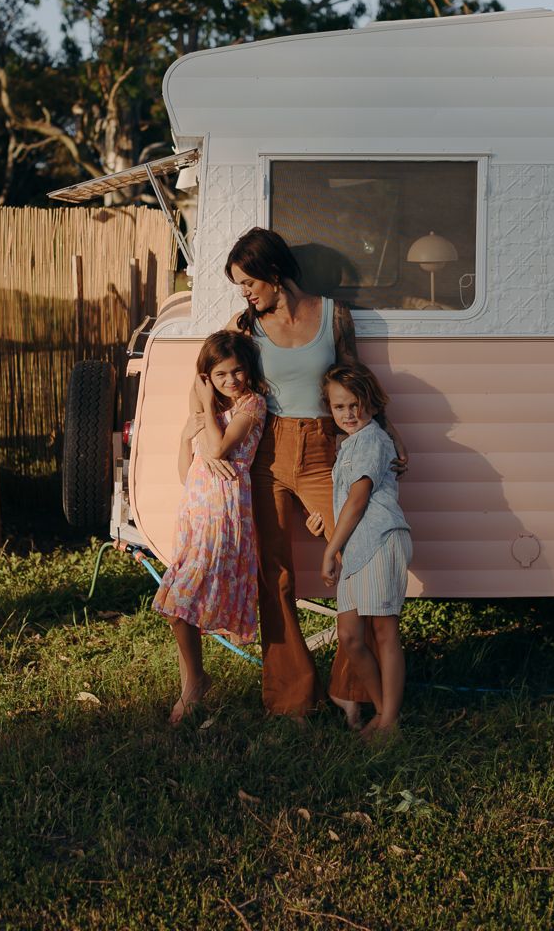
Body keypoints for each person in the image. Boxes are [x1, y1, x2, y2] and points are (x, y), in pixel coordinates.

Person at [222, 227, 408, 721]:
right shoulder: (246, 326)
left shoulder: (333, 315)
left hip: (327, 448)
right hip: (268, 450)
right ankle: (291, 698)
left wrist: (388, 431)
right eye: (240, 285)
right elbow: (216, 374)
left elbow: (354, 380)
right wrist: (200, 423)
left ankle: (350, 688)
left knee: (354, 559)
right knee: (276, 576)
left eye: (248, 282)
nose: (245, 293)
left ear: (273, 272)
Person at [153, 331, 267, 724]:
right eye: (220, 375)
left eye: (237, 371)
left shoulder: (252, 404)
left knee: (180, 602)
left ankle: (195, 684)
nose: (231, 380)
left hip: (225, 510)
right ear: (208, 376)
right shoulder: (210, 407)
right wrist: (186, 437)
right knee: (178, 604)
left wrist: (203, 405)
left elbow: (218, 449)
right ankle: (192, 684)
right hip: (196, 511)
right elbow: (188, 472)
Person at [307, 363, 412, 737]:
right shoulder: (349, 444)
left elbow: (359, 497)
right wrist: (325, 527)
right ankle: (383, 713)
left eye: (356, 404)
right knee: (351, 637)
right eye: (340, 407)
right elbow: (343, 501)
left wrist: (329, 550)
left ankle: (389, 722)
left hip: (380, 540)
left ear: (372, 403)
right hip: (356, 547)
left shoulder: (372, 439)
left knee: (384, 632)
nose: (349, 413)